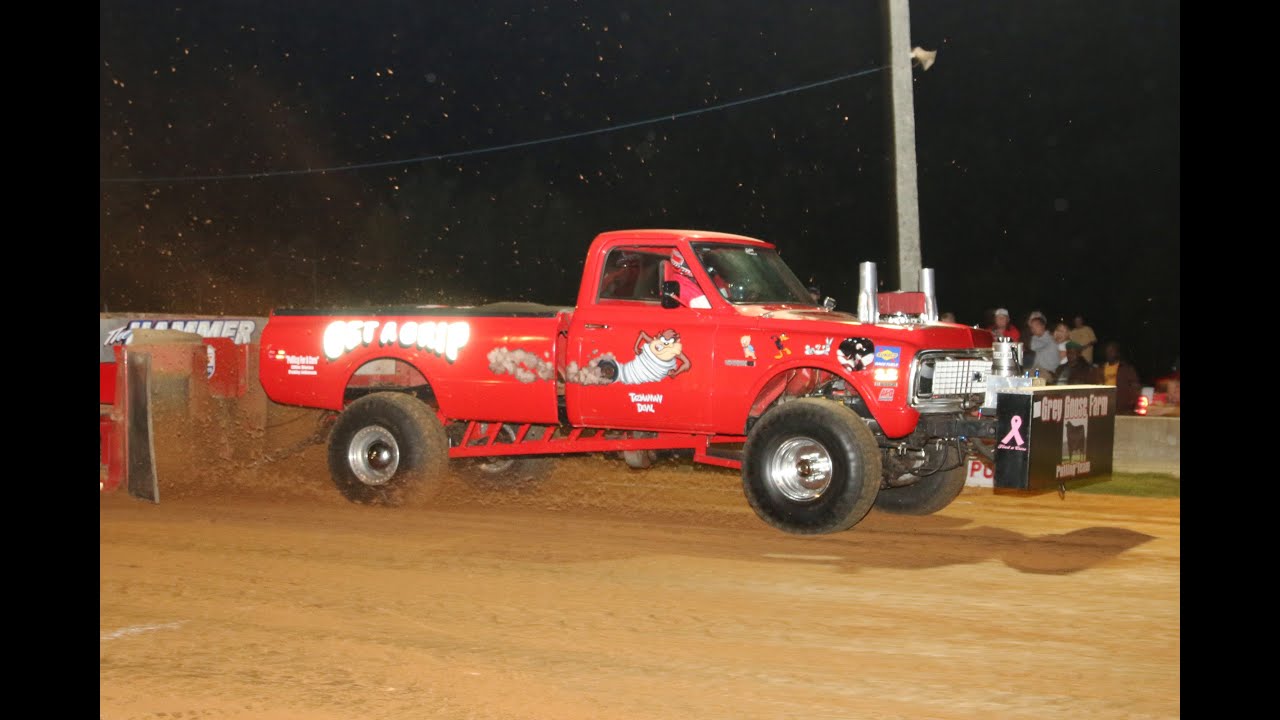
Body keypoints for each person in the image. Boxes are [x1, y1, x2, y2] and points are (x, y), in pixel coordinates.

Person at [1100, 340, 1142, 414]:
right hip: (1104, 406)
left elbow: (1135, 387)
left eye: (1111, 351)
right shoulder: (1100, 369)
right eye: (1107, 351)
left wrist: (1133, 404)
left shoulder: (1126, 369)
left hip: (1122, 408)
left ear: (1117, 353)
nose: (1109, 353)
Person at [1025, 315, 1059, 383]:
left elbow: (1033, 346)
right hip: (1037, 370)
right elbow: (1033, 346)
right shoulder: (1035, 338)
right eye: (1032, 327)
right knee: (1019, 377)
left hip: (1048, 372)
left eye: (1036, 326)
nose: (1033, 329)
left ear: (1043, 326)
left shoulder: (1050, 337)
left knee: (1032, 382)